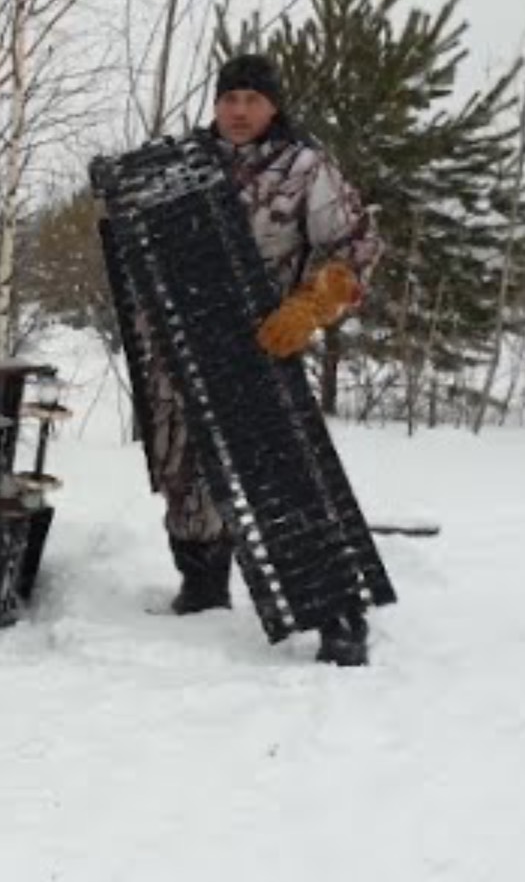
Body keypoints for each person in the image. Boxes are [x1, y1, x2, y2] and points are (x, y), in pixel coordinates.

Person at [138, 53, 383, 665]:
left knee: (285, 482)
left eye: (251, 99)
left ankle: (337, 614)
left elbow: (356, 249)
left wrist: (310, 307)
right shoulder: (181, 170)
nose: (238, 111)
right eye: (229, 99)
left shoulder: (305, 169)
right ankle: (201, 585)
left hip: (261, 351)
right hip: (184, 352)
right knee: (185, 472)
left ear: (272, 107)